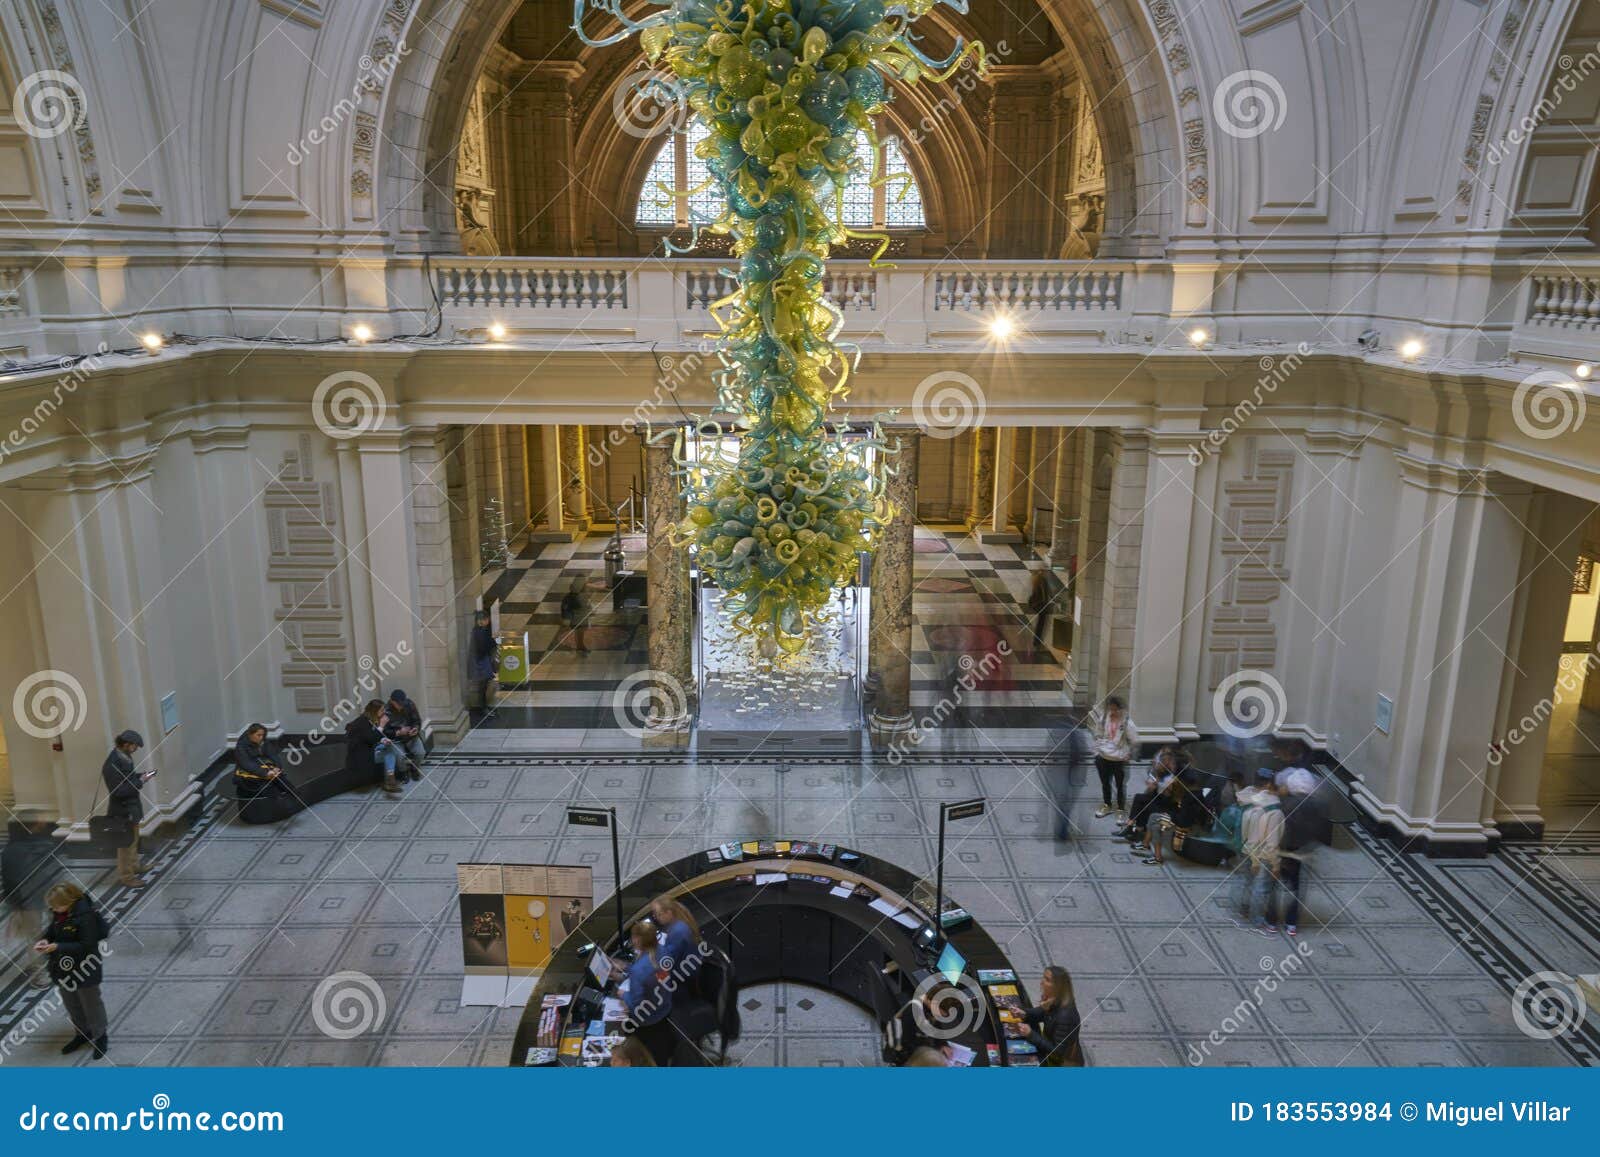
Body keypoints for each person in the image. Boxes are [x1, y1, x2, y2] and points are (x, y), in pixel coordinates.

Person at [34, 883, 110, 1058]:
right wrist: (46, 940)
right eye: (51, 907)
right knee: (71, 1003)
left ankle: (100, 1036)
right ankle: (82, 1033)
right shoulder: (60, 913)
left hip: (85, 968)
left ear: (69, 901)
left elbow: (87, 944)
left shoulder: (86, 916)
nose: (53, 909)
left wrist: (58, 946)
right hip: (63, 968)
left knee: (91, 1004)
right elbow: (52, 930)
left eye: (56, 906)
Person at [2, 821, 57, 988]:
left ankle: (45, 970)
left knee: (38, 936)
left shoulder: (13, 850)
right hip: (34, 900)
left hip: (36, 899)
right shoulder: (22, 849)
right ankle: (42, 972)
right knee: (37, 937)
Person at [1234, 769, 1284, 934]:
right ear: (1269, 784)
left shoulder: (1246, 797)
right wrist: (1275, 865)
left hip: (1244, 847)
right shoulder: (1272, 810)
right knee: (1261, 887)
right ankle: (1257, 919)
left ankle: (1243, 908)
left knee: (1246, 880)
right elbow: (1272, 842)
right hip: (1261, 853)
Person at [617, 919, 674, 1065]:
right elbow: (656, 978)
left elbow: (635, 1007)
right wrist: (627, 968)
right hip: (664, 1010)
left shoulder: (639, 970)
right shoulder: (663, 950)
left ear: (636, 940)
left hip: (646, 1022)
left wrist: (623, 994)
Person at [101, 730, 153, 888]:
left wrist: (139, 776)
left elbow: (127, 779)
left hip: (131, 808)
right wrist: (141, 781)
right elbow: (118, 791)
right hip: (122, 811)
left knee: (134, 840)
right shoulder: (112, 764)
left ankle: (135, 866)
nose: (135, 749)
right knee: (125, 845)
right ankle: (127, 876)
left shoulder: (123, 757)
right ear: (125, 744)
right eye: (134, 746)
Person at [1018, 966, 1083, 1066]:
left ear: (1058, 987)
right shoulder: (1054, 1000)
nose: (1042, 982)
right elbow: (1041, 1013)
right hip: (1050, 1052)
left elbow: (1058, 1051)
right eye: (1043, 977)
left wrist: (1031, 1034)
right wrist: (1025, 1014)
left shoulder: (1065, 1017)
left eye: (1047, 980)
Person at [1090, 697, 1135, 822]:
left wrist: (1129, 753)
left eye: (1115, 709)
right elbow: (1097, 734)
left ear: (1121, 709)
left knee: (1120, 785)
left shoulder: (1127, 723)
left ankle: (1120, 809)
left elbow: (1134, 740)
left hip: (1119, 759)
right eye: (1111, 708)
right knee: (1105, 783)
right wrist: (1096, 751)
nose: (1113, 711)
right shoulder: (1104, 719)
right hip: (1103, 757)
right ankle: (1107, 805)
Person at [346, 700, 402, 794]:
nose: (383, 712)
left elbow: (371, 737)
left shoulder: (372, 719)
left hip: (370, 748)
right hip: (362, 755)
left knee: (390, 748)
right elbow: (371, 738)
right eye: (381, 710)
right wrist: (382, 725)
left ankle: (390, 779)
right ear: (374, 711)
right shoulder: (362, 722)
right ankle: (390, 781)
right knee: (389, 751)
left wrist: (383, 740)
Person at [232, 723, 289, 803]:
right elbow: (247, 764)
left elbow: (272, 754)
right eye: (258, 735)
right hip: (245, 774)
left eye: (263, 735)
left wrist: (277, 767)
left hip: (260, 766)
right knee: (267, 785)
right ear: (250, 734)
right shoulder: (241, 746)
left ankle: (292, 797)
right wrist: (265, 773)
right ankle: (276, 804)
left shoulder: (263, 740)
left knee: (280, 778)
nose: (261, 737)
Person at [649, 896, 702, 977]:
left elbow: (666, 961)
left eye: (657, 913)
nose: (654, 917)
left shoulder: (678, 931)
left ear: (669, 913)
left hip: (682, 979)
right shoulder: (676, 927)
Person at [383, 689, 425, 782]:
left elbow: (417, 720)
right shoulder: (385, 710)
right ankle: (403, 771)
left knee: (421, 753)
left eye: (402, 704)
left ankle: (414, 769)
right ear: (392, 701)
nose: (401, 706)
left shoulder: (409, 704)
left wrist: (415, 728)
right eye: (399, 704)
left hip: (410, 736)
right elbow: (384, 731)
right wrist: (398, 732)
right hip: (395, 739)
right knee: (399, 756)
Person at [468, 609, 499, 718]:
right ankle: (483, 707)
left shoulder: (478, 630)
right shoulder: (480, 631)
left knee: (484, 686)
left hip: (480, 661)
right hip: (480, 662)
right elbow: (483, 647)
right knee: (483, 686)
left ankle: (484, 706)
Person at [561, 577, 590, 657]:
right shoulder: (571, 598)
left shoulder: (580, 595)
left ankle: (581, 646)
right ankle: (579, 647)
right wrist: (567, 619)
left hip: (581, 617)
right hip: (576, 618)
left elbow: (585, 604)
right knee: (579, 632)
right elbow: (566, 608)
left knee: (580, 632)